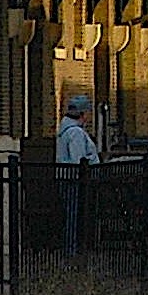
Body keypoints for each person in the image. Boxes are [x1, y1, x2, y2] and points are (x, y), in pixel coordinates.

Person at [55, 94, 100, 253]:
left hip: (66, 179)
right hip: (74, 181)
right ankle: (72, 250)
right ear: (83, 113)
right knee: (74, 217)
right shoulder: (76, 133)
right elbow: (79, 159)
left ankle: (71, 249)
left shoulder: (65, 131)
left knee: (70, 215)